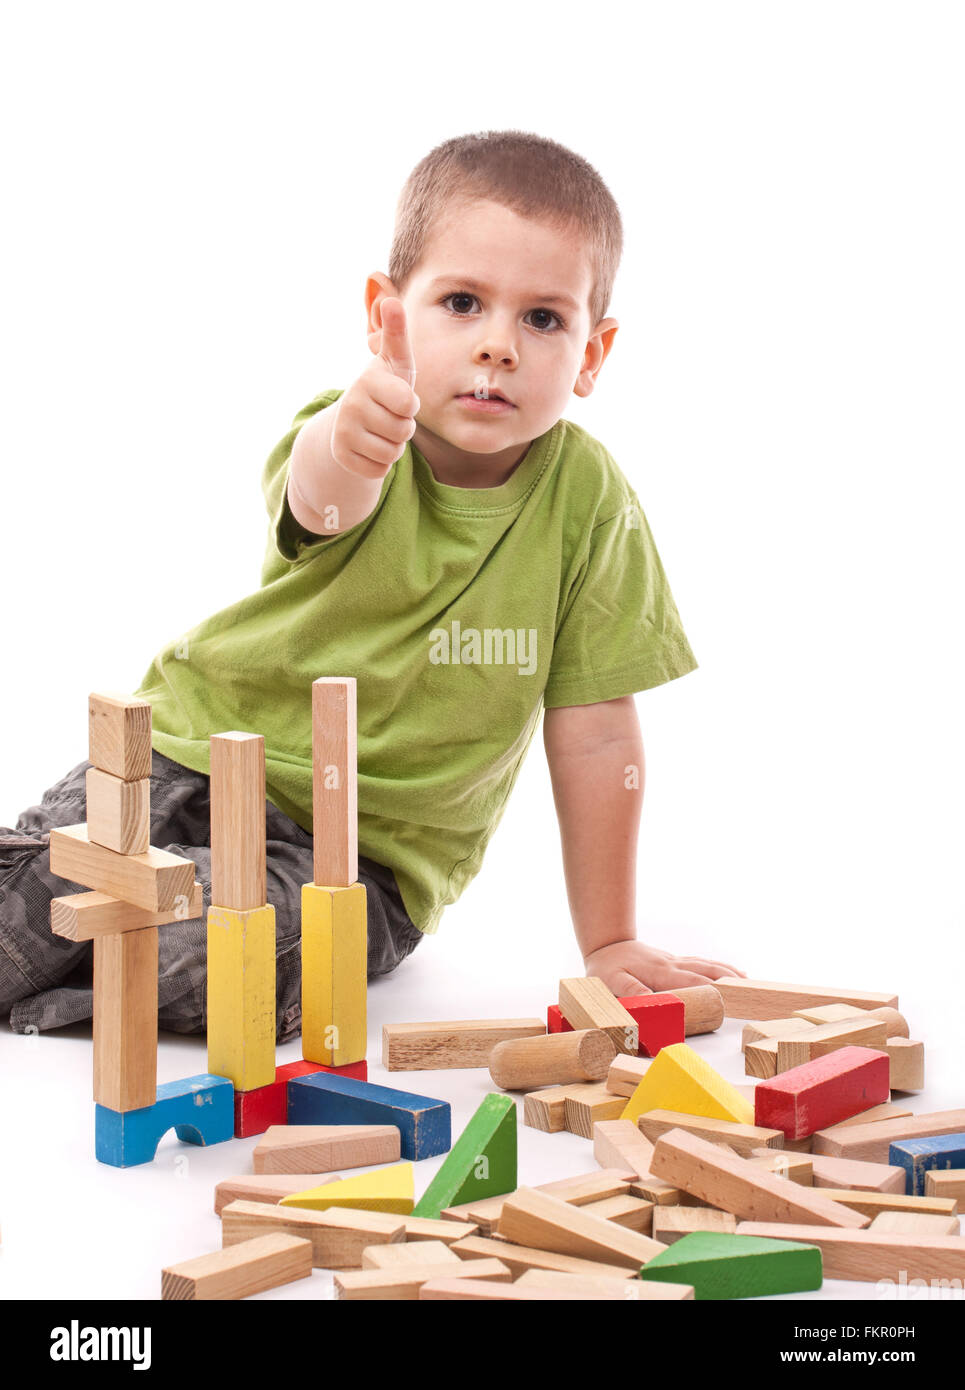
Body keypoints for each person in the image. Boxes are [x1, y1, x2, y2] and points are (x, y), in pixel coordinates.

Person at [0, 129, 745, 1043]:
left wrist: (612, 940)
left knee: (258, 965)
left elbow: (595, 735)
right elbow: (320, 500)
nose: (497, 346)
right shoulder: (356, 429)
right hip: (189, 751)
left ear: (593, 354)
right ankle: (67, 912)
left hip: (361, 862)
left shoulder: (587, 501)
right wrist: (350, 444)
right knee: (48, 892)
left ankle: (83, 967)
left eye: (543, 319)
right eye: (461, 303)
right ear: (387, 316)